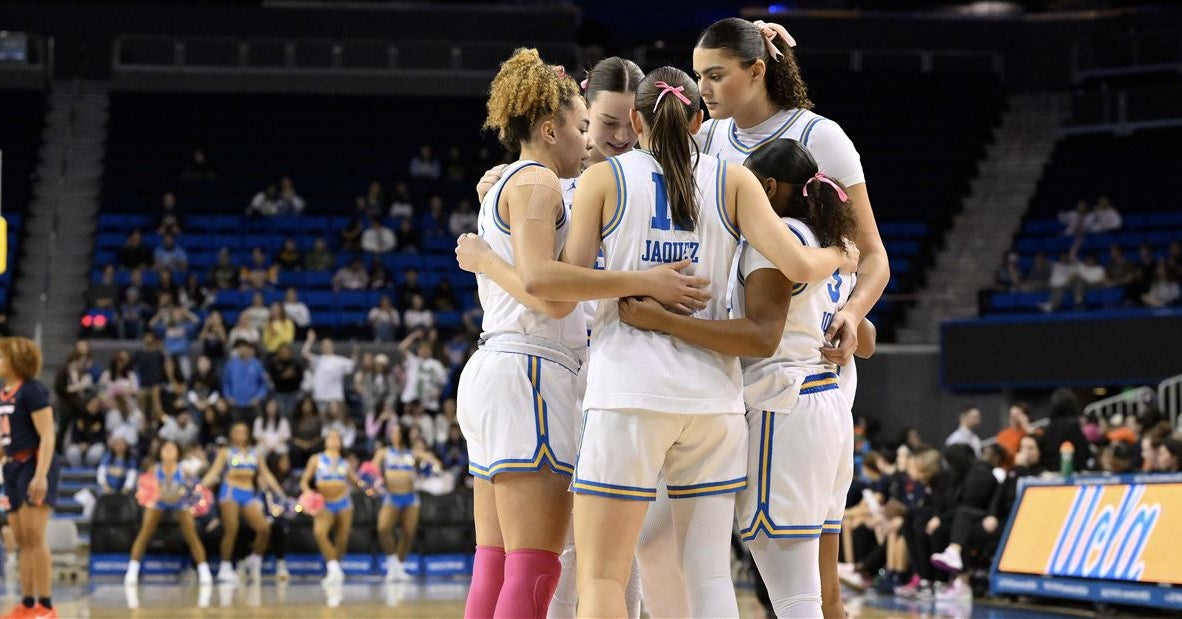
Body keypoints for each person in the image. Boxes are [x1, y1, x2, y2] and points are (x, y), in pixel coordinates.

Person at [460, 63, 846, 617]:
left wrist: (502, 232)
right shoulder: (734, 178)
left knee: (599, 577)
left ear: (637, 120)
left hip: (626, 392)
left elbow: (554, 282)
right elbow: (797, 262)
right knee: (710, 576)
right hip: (714, 396)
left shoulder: (601, 179)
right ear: (697, 120)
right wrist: (843, 254)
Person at [618, 138, 862, 619]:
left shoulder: (779, 240)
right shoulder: (825, 239)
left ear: (767, 189)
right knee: (654, 534)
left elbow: (761, 337)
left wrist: (664, 321)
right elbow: (866, 338)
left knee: (793, 591)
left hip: (783, 405)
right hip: (825, 406)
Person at [0, 338, 60, 618]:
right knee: (21, 539)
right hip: (11, 467)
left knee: (35, 537)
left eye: (2, 357)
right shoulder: (4, 393)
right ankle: (26, 603)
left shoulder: (33, 390)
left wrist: (41, 474)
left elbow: (47, 434)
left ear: (17, 360)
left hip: (33, 464)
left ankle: (45, 605)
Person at [200, 422, 285, 584]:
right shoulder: (226, 452)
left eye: (243, 431)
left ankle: (254, 559)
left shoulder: (256, 453)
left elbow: (266, 474)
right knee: (232, 528)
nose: (240, 434)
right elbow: (214, 472)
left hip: (248, 492)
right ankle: (225, 567)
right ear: (232, 434)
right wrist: (199, 487)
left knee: (264, 528)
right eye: (236, 431)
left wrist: (280, 492)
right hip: (230, 490)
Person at [125, 440, 212, 586]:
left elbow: (195, 485)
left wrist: (184, 495)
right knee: (144, 533)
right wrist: (156, 496)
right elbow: (145, 487)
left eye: (172, 448)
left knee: (192, 536)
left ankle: (204, 570)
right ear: (160, 452)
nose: (169, 450)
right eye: (166, 448)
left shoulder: (184, 469)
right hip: (158, 501)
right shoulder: (154, 468)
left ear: (178, 453)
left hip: (180, 502)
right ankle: (132, 570)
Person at [371, 424, 441, 583]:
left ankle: (400, 566)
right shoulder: (384, 452)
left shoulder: (413, 453)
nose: (395, 435)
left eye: (398, 432)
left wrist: (430, 469)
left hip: (410, 498)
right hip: (391, 496)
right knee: (383, 528)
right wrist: (376, 480)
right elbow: (371, 470)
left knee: (408, 533)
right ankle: (393, 562)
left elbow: (435, 463)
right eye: (393, 432)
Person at [299, 429, 362, 586]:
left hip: (343, 502)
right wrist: (307, 492)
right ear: (325, 441)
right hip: (324, 502)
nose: (333, 440)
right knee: (319, 533)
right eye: (330, 437)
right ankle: (333, 567)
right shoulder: (316, 459)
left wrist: (365, 482)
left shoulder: (345, 463)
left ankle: (335, 569)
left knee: (342, 538)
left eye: (337, 438)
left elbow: (356, 482)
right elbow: (304, 480)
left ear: (341, 443)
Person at [301, 331, 356, 416]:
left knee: (337, 422)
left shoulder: (340, 360)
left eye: (328, 345)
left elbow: (352, 364)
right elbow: (304, 353)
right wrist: (310, 340)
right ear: (321, 347)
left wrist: (355, 352)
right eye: (324, 345)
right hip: (320, 397)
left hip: (335, 397)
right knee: (324, 422)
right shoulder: (317, 360)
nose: (326, 347)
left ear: (332, 346)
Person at [221, 340, 268, 424]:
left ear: (249, 349)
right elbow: (226, 383)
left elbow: (263, 384)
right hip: (236, 403)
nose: (242, 350)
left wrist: (258, 397)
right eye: (239, 348)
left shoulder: (257, 365)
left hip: (252, 403)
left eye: (244, 347)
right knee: (236, 428)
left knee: (254, 428)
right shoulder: (230, 365)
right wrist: (228, 397)